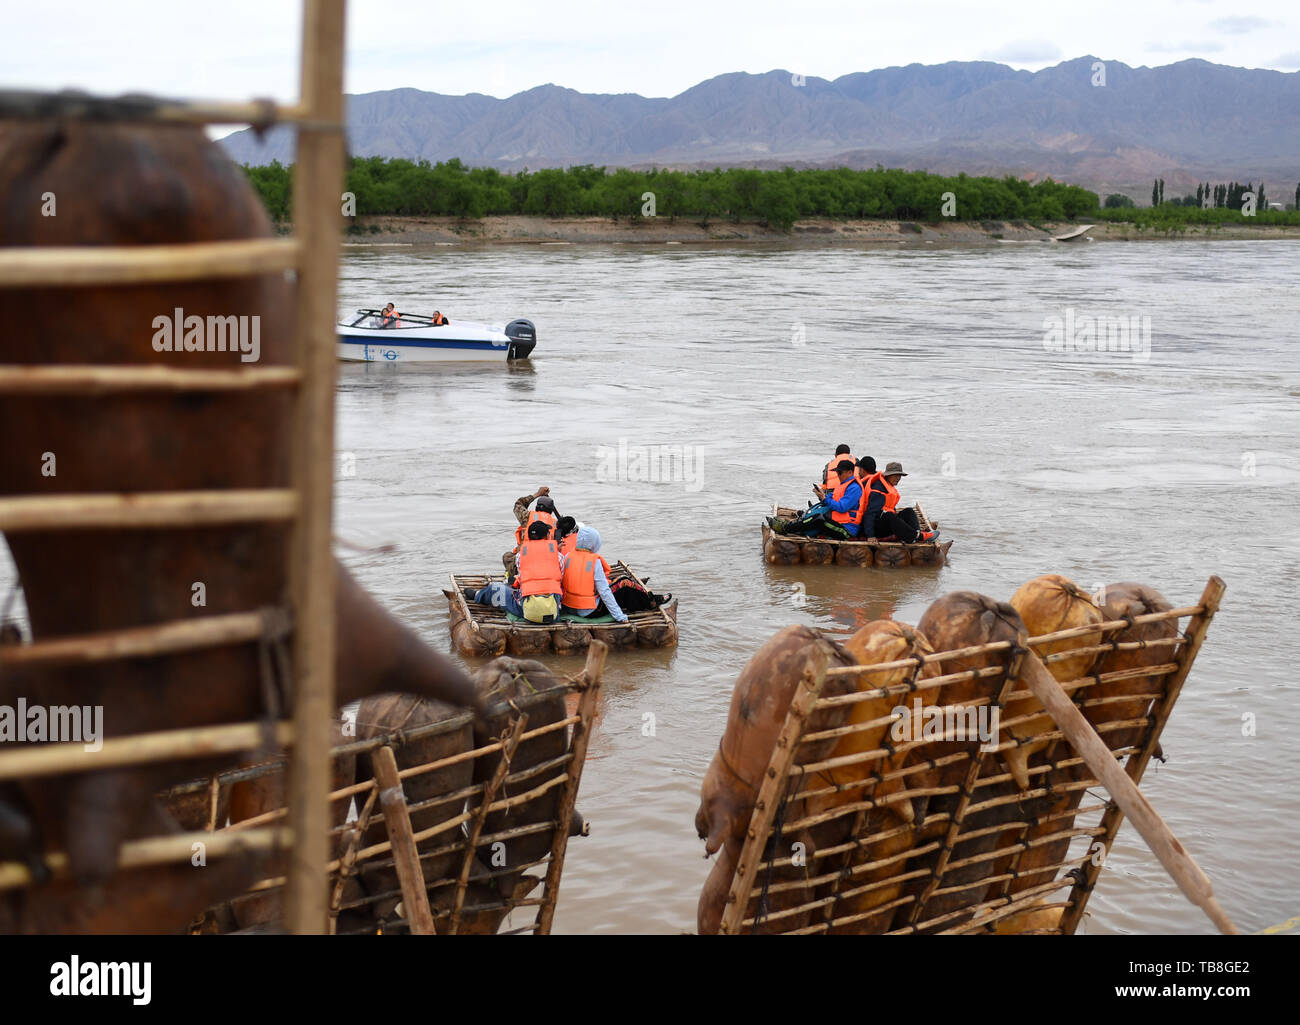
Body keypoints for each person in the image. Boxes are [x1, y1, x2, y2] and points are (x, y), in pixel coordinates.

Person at [469, 520, 565, 623]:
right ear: (547, 536)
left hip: (529, 613)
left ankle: (478, 595)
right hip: (553, 614)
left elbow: (522, 577)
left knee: (496, 588)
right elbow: (561, 578)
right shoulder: (558, 556)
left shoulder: (521, 555)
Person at [769, 459, 863, 540]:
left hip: (846, 530)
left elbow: (842, 507)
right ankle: (793, 525)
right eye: (837, 473)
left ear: (850, 472)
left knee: (819, 519)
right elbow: (831, 497)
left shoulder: (854, 488)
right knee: (816, 511)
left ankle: (786, 528)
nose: (838, 475)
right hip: (837, 522)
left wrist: (825, 499)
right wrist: (822, 496)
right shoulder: (843, 485)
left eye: (840, 473)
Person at [860, 461, 939, 544]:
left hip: (884, 522)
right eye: (895, 475)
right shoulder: (878, 490)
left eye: (899, 475)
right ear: (888, 475)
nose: (898, 478)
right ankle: (918, 536)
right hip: (876, 528)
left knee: (909, 511)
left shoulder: (887, 485)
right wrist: (870, 535)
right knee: (889, 515)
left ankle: (916, 533)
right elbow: (870, 514)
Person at [560, 527, 628, 623]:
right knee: (625, 584)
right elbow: (604, 591)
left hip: (569, 606)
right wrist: (619, 616)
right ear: (594, 543)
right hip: (588, 611)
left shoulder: (567, 556)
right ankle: (650, 602)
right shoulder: (594, 561)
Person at [503, 487, 559, 578]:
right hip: (546, 563)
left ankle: (512, 576)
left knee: (507, 557)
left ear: (537, 508)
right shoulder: (556, 524)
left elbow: (518, 505)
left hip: (525, 559)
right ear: (551, 511)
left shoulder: (528, 516)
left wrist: (537, 494)